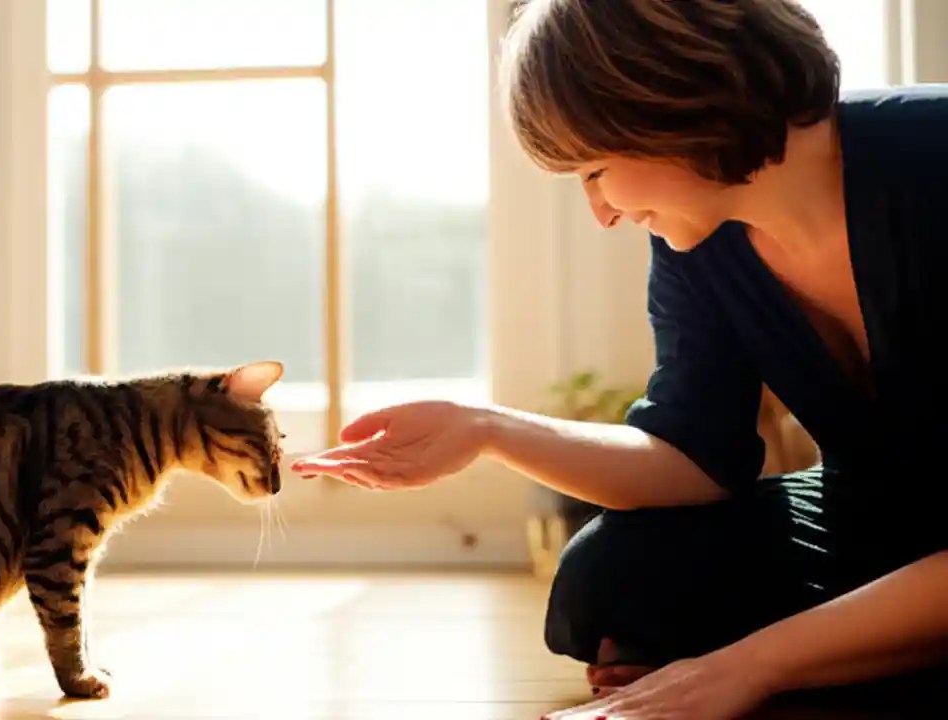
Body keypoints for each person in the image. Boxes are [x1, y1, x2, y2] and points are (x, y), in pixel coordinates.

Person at [291, 0, 948, 717]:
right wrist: (484, 429)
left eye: (596, 170)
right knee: (612, 575)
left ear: (667, 109)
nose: (599, 212)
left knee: (717, 652)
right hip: (880, 519)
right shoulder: (699, 240)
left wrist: (745, 667)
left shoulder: (931, 158)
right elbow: (692, 456)